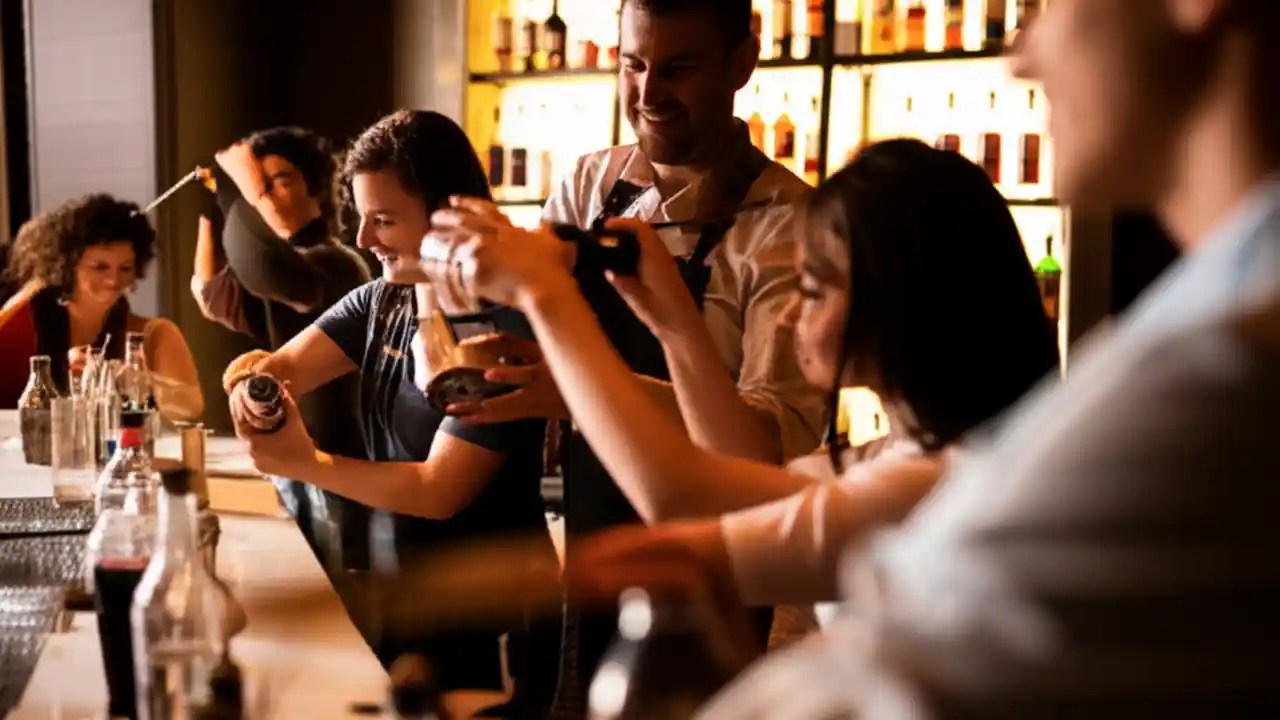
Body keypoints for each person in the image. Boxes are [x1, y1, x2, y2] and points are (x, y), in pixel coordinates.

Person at [697, 0, 1280, 716]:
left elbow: (882, 685)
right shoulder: (1196, 330)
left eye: (1055, 6)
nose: (1021, 56)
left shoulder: (1222, 370)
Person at [425, 138, 1059, 616]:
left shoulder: (932, 488)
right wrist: (674, 321)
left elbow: (681, 503)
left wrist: (546, 295)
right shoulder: (893, 458)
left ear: (900, 301)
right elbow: (727, 470)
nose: (787, 314)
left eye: (812, 289)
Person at [450, 0, 828, 693]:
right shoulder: (590, 184)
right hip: (594, 536)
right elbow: (535, 340)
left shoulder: (789, 225)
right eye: (632, 65)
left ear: (743, 62)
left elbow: (770, 446)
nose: (648, 95)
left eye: (679, 69)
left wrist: (580, 387)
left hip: (718, 571)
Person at [224, 110, 557, 711]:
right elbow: (282, 367)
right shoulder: (383, 299)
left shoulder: (503, 321)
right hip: (406, 596)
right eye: (361, 218)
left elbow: (439, 490)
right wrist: (255, 387)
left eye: (383, 220)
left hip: (489, 613)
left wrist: (308, 463)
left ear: (449, 215)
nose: (362, 241)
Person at [190, 126, 373, 585]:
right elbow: (212, 294)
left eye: (279, 180)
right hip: (295, 459)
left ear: (315, 191)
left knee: (342, 595)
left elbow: (267, 267)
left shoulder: (337, 263)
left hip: (340, 465)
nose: (265, 194)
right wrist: (214, 209)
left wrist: (242, 189)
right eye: (260, 182)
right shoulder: (279, 269)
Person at [0, 194, 203, 420]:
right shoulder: (25, 324)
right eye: (100, 267)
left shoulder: (152, 335)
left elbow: (192, 407)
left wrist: (134, 380)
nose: (113, 281)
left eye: (125, 269)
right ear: (68, 265)